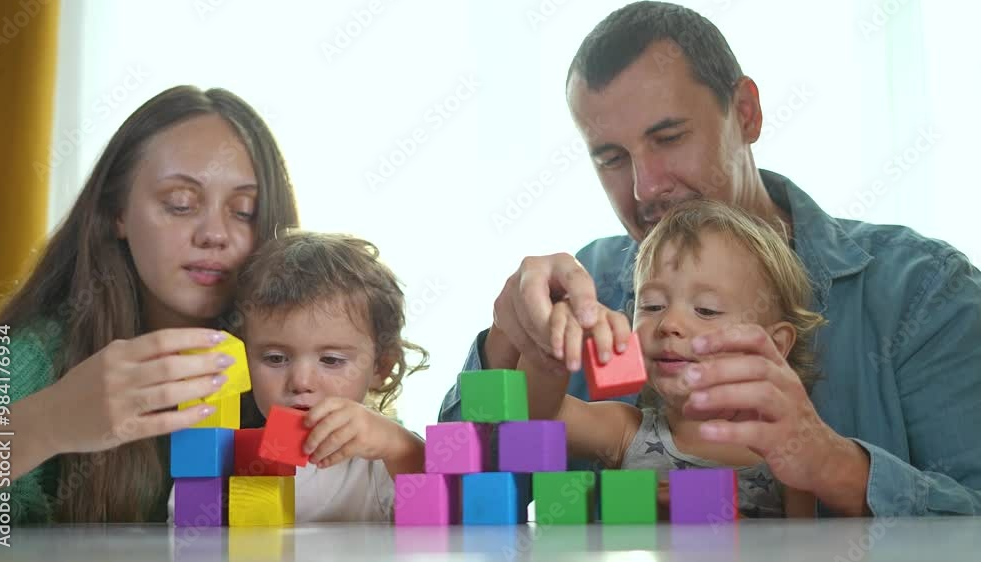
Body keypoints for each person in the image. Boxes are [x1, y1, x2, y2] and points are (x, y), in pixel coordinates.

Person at [439, 1, 981, 517]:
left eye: (669, 137)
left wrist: (834, 466)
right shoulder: (592, 289)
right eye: (611, 158)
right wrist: (507, 341)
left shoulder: (923, 292)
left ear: (745, 113)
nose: (646, 186)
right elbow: (452, 499)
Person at [0, 85, 300, 523]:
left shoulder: (299, 353)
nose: (214, 234)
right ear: (118, 213)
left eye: (244, 211)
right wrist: (48, 421)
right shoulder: (33, 357)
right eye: (180, 204)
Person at [524, 200, 822, 518]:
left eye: (706, 310)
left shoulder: (789, 453)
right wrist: (553, 339)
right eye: (652, 306)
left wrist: (723, 522)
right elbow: (539, 416)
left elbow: (804, 547)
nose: (669, 325)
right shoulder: (627, 431)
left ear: (774, 345)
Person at [168, 231, 427, 522]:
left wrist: (400, 446)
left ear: (381, 367)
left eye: (331, 360)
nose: (301, 382)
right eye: (276, 358)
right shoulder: (221, 455)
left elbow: (449, 517)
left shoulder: (381, 460)